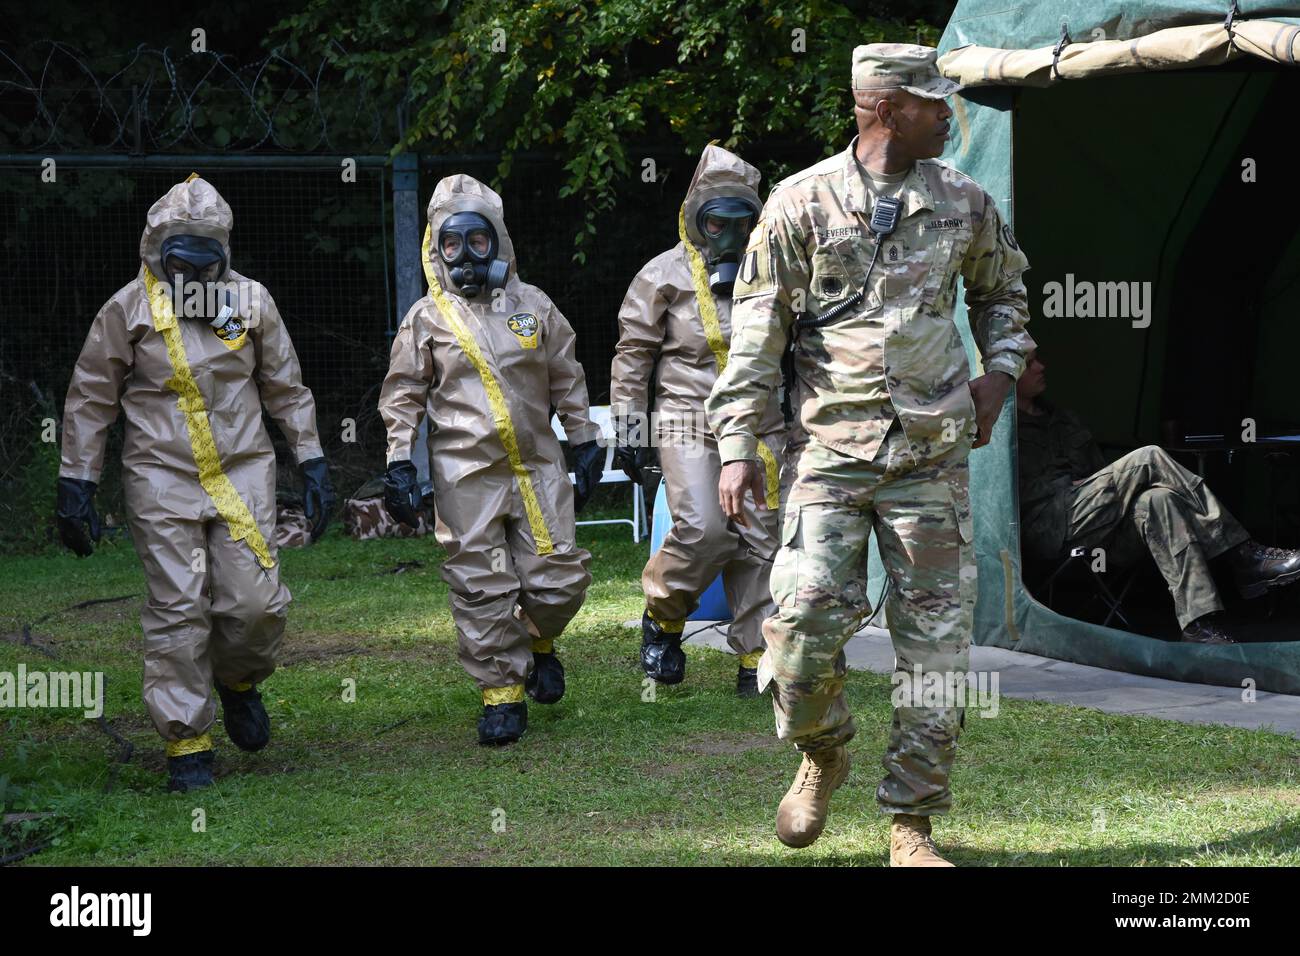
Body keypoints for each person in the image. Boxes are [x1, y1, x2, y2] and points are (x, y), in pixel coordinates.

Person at [707, 44, 1034, 865]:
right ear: (886, 109)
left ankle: (911, 826)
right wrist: (736, 444)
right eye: (932, 102)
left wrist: (999, 373)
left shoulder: (963, 199)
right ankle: (822, 751)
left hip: (931, 459)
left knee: (935, 653)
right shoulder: (799, 203)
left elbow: (1003, 292)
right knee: (800, 631)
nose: (948, 115)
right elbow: (756, 335)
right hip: (829, 453)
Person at [56, 174, 334, 793]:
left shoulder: (250, 302)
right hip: (160, 476)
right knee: (178, 608)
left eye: (205, 267)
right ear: (158, 253)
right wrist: (77, 479)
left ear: (222, 257)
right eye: (180, 265)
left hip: (243, 469)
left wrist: (312, 459)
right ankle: (187, 742)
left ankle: (237, 680)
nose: (192, 279)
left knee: (255, 604)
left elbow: (285, 387)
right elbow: (91, 398)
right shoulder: (127, 310)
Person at [378, 174, 604, 746]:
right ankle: (501, 696)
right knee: (481, 585)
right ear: (437, 249)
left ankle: (537, 640)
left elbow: (567, 376)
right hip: (466, 474)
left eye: (476, 241)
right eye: (451, 244)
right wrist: (399, 461)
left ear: (497, 241)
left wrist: (583, 440)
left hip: (538, 466)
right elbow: (403, 394)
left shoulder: (532, 306)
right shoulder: (427, 318)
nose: (465, 256)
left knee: (560, 580)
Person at [610, 144, 784, 697]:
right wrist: (629, 430)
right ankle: (663, 617)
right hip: (688, 419)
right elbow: (633, 354)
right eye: (716, 222)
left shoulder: (776, 266)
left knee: (762, 538)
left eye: (741, 222)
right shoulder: (663, 274)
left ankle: (756, 657)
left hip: (759, 421)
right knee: (705, 528)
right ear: (695, 218)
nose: (729, 235)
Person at [1016, 349, 1300, 642]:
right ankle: (1242, 555)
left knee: (1159, 499)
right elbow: (1015, 494)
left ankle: (1197, 625)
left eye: (1038, 359)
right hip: (1051, 525)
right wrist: (1079, 485)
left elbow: (1100, 475)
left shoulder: (1063, 419)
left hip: (1096, 518)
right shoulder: (1003, 429)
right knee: (1149, 456)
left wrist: (1096, 483)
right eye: (1029, 363)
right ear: (1009, 372)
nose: (1041, 367)